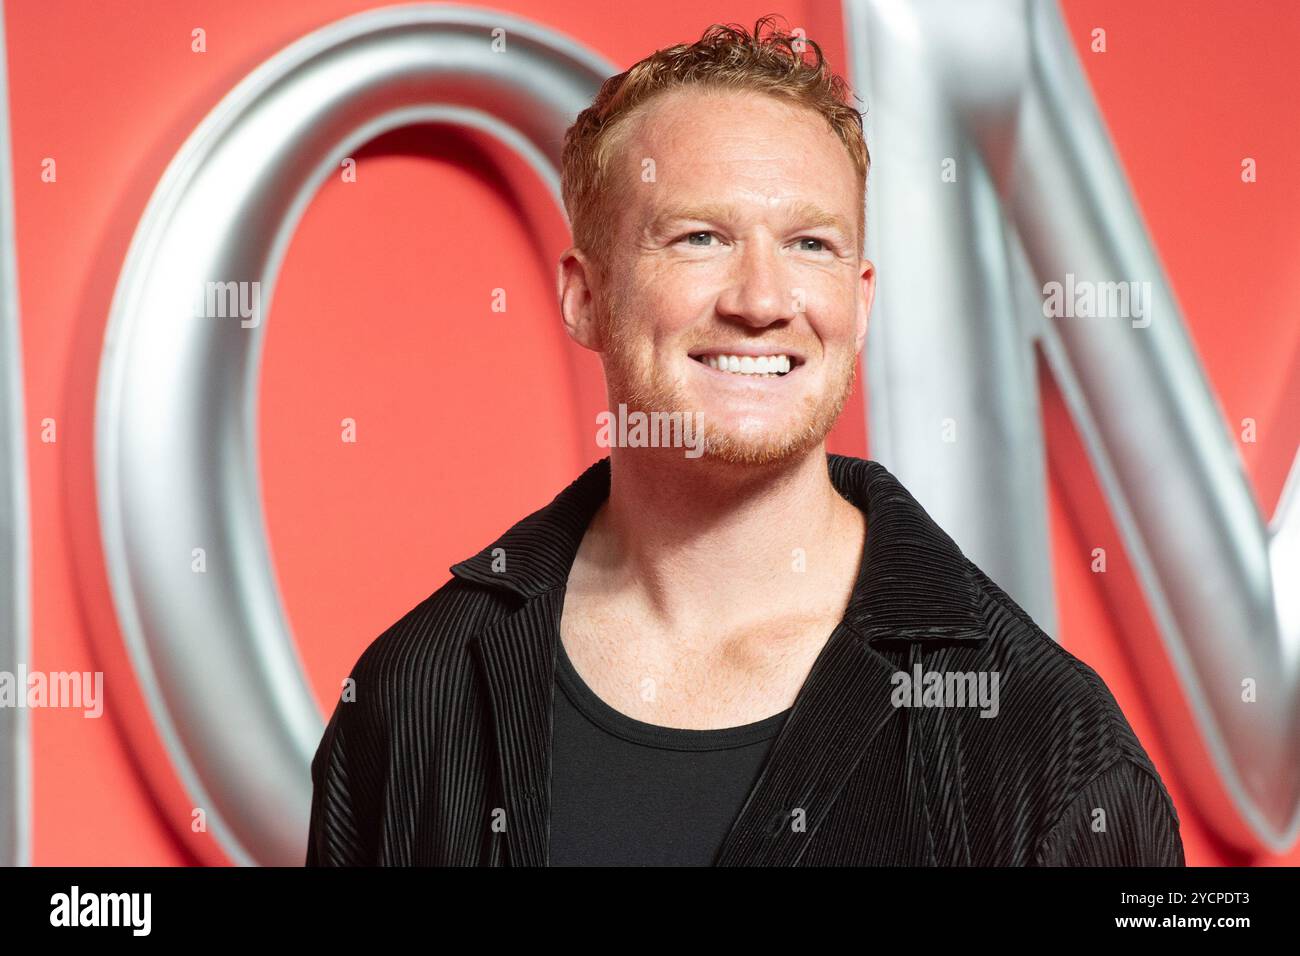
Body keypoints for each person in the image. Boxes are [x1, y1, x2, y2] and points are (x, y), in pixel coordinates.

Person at [305, 15, 1184, 866]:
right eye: (700, 237)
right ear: (586, 294)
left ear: (861, 299)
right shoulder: (414, 691)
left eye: (810, 243)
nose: (763, 300)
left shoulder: (1047, 745)